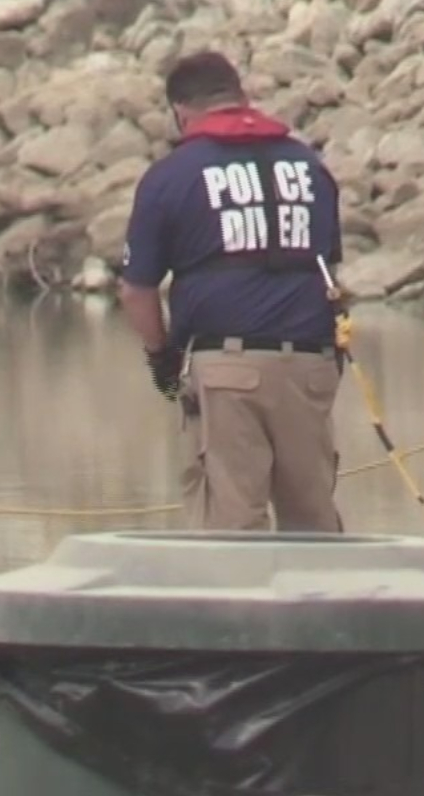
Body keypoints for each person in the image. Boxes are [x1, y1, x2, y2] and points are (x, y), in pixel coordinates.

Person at [116, 50, 348, 534]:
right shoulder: (309, 166)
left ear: (181, 111)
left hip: (226, 368)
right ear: (242, 98)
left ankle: (240, 610)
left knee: (233, 523)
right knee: (314, 520)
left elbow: (136, 291)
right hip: (312, 366)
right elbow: (327, 269)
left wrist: (161, 358)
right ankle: (321, 605)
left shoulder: (171, 176)